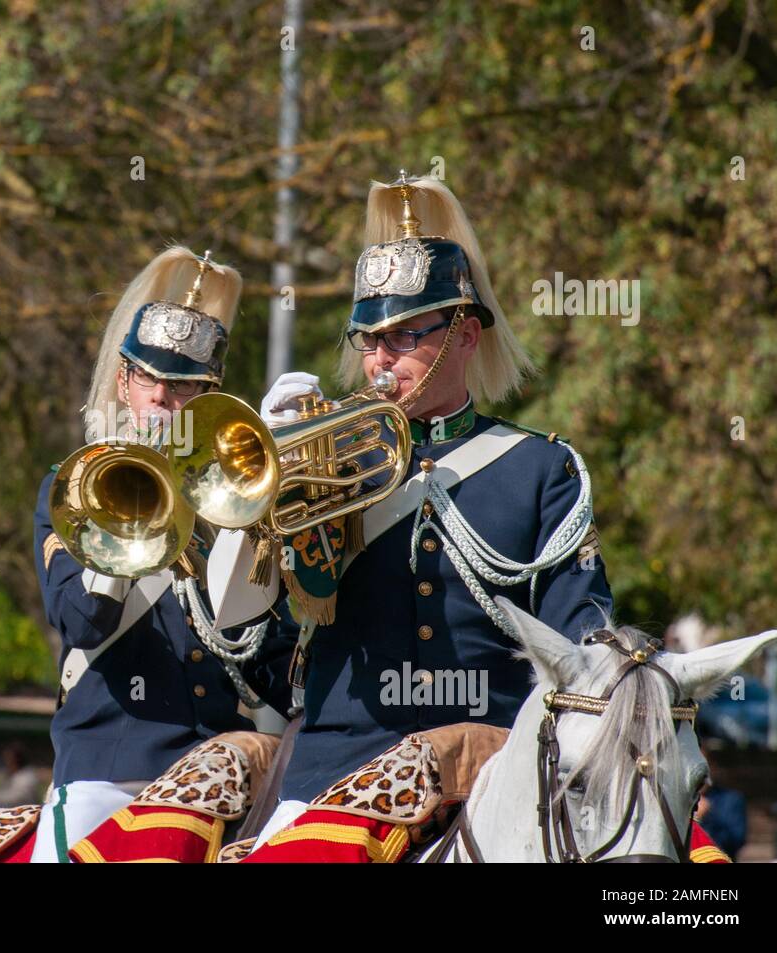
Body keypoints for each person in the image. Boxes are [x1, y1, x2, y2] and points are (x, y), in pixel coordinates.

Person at [228, 174, 616, 860]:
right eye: (369, 337)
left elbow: (584, 648)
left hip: (498, 774)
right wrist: (257, 494)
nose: (379, 359)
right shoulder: (330, 467)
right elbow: (252, 639)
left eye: (405, 335)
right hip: (337, 778)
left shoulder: (538, 469)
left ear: (464, 335)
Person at [28, 247, 298, 862]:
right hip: (111, 768)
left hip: (228, 771)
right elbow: (80, 620)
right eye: (149, 379)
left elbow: (269, 658)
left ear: (208, 396)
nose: (162, 401)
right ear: (124, 382)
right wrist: (122, 515)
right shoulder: (72, 486)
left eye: (183, 387)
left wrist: (277, 482)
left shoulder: (233, 497)